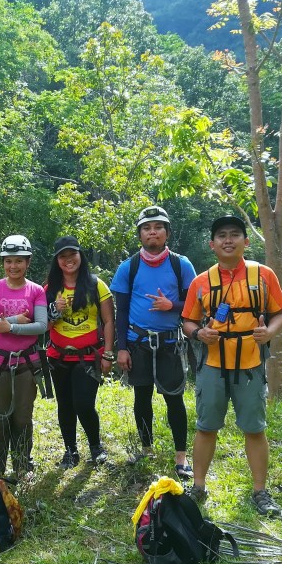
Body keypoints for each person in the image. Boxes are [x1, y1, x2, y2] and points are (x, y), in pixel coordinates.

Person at [181, 214, 282, 516]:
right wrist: (199, 333)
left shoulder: (263, 275)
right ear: (212, 244)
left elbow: (280, 313)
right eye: (222, 236)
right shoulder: (201, 282)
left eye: (235, 234)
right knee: (206, 426)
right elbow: (187, 321)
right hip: (212, 362)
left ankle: (260, 491)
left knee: (254, 428)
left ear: (246, 241)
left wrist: (270, 332)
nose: (228, 240)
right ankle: (198, 486)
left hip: (250, 363)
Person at [110, 205, 196, 478]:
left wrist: (172, 305)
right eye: (146, 228)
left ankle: (181, 457)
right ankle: (146, 449)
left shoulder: (181, 264)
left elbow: (194, 306)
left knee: (174, 399)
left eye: (158, 228)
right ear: (140, 235)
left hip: (170, 343)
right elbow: (120, 311)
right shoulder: (129, 267)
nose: (152, 233)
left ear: (167, 233)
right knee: (142, 396)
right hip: (138, 342)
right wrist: (121, 348)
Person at [0, 235, 49, 482]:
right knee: (0, 416)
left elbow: (41, 325)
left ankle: (22, 464)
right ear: (3, 262)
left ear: (28, 262)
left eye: (19, 261)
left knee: (22, 417)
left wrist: (11, 329)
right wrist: (13, 322)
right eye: (9, 261)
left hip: (25, 365)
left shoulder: (36, 290)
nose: (13, 266)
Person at [44, 236, 115, 468]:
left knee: (83, 404)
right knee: (65, 405)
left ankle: (95, 446)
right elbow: (42, 325)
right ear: (57, 261)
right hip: (58, 357)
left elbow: (108, 321)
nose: (68, 260)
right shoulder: (49, 288)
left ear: (80, 256)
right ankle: (70, 451)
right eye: (62, 257)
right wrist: (55, 310)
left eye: (72, 255)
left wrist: (108, 354)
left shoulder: (96, 284)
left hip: (88, 356)